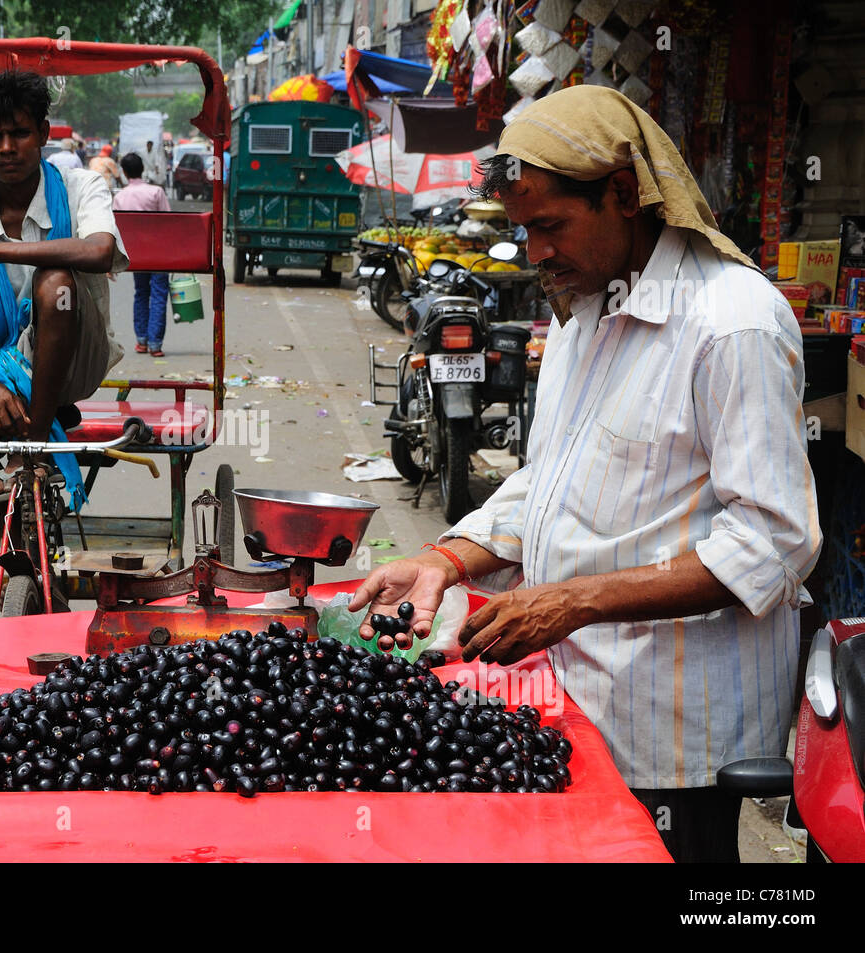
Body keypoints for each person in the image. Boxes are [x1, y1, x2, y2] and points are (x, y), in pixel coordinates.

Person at [350, 85, 822, 863]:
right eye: (522, 230)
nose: (535, 253)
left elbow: (773, 542)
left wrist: (572, 601)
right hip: (580, 703)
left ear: (625, 194)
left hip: (674, 731)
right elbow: (551, 480)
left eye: (550, 226)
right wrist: (443, 560)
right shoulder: (582, 316)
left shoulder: (730, 323)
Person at [0, 70, 128, 531]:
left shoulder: (82, 188)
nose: (6, 147)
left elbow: (100, 250)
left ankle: (35, 448)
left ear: (42, 133)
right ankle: (20, 551)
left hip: (74, 357)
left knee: (56, 280)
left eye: (19, 132)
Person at [113, 153, 171, 356]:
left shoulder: (120, 197)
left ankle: (142, 341)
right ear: (142, 170)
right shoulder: (156, 192)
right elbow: (167, 221)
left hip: (136, 254)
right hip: (160, 252)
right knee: (158, 295)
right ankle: (155, 344)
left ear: (125, 172)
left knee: (141, 294)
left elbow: (117, 228)